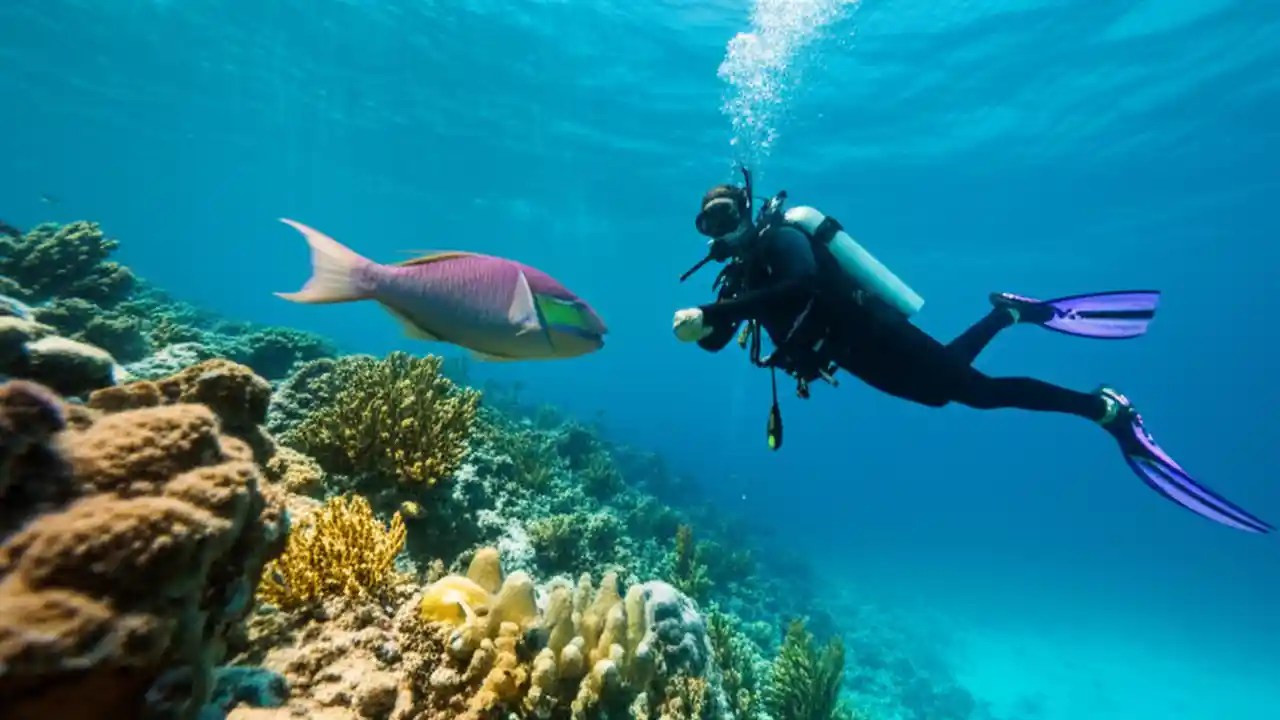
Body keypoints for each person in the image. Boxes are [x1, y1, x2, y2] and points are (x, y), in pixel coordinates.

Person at [671, 169, 1272, 535]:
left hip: (870, 330)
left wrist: (715, 313)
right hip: (850, 355)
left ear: (745, 209)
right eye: (707, 223)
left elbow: (801, 285)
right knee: (943, 391)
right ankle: (1007, 312)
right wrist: (705, 328)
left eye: (724, 215)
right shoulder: (741, 279)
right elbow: (724, 335)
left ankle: (1105, 409)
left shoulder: (781, 237)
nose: (718, 229)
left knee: (975, 393)